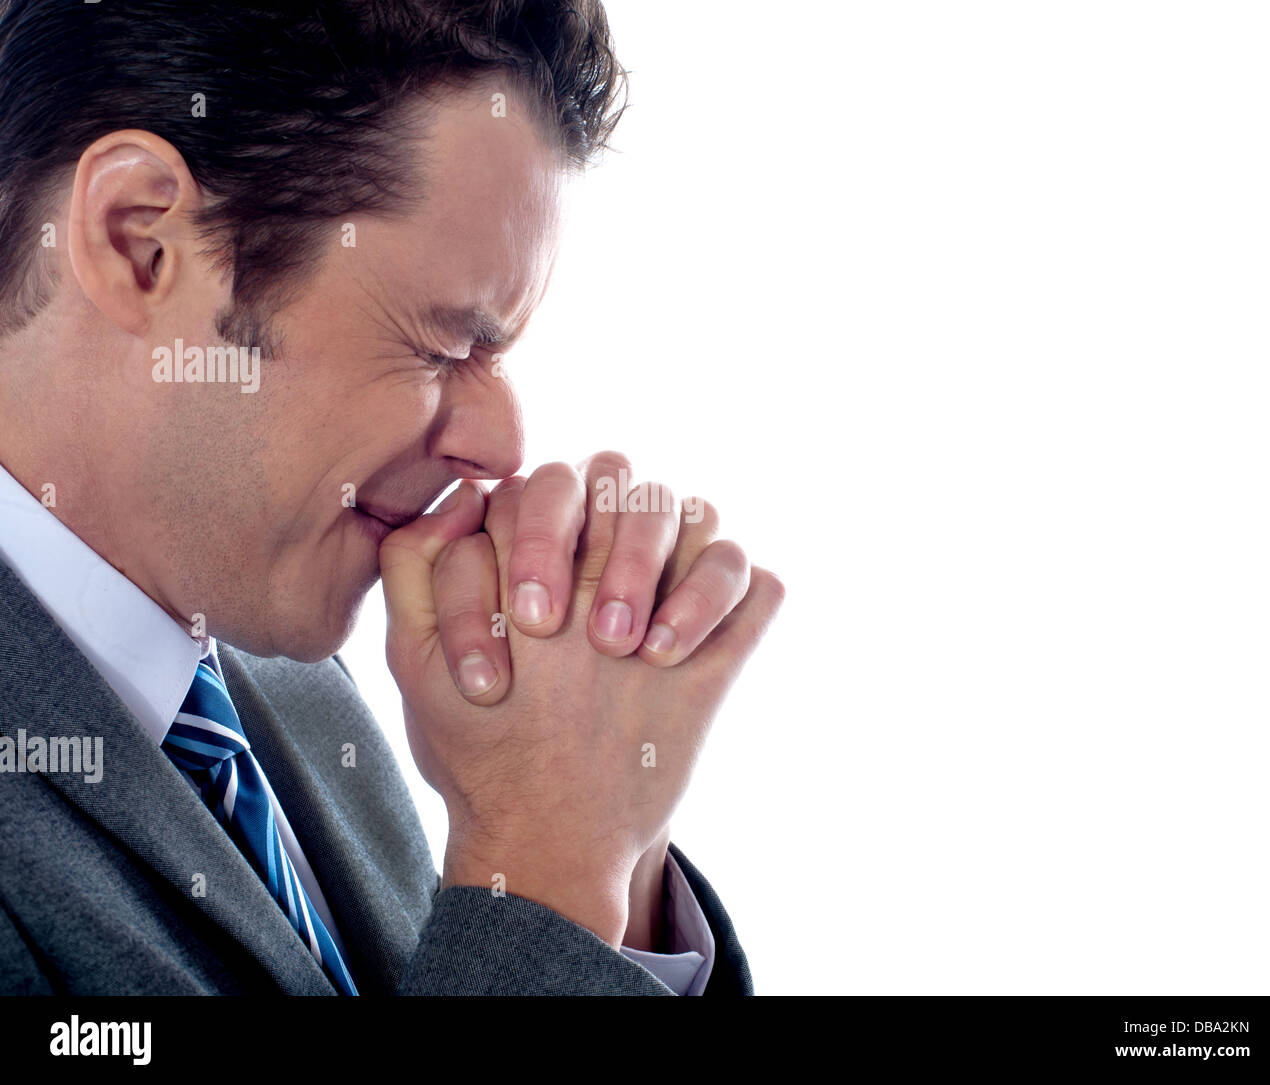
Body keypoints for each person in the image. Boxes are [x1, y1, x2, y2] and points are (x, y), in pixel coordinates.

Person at [0, 0, 783, 995]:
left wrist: (608, 842)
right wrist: (542, 861)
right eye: (445, 344)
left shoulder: (270, 666)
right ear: (138, 238)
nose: (502, 446)